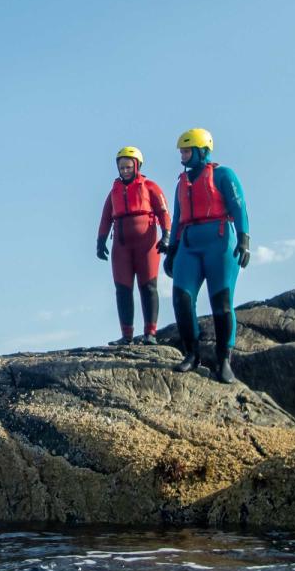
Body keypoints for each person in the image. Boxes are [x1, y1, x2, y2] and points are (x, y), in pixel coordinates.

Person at [163, 129, 250, 383]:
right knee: (181, 297)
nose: (182, 155)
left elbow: (239, 206)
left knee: (221, 303)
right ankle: (192, 354)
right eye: (181, 151)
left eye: (187, 151)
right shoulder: (182, 182)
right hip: (189, 245)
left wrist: (244, 239)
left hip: (220, 243)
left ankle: (224, 361)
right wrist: (172, 250)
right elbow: (178, 218)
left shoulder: (224, 175)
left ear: (202, 151)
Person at [97, 147, 172, 345]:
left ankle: (150, 333)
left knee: (148, 287)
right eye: (122, 167)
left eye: (129, 167)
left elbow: (164, 212)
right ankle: (127, 335)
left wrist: (166, 236)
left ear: (137, 166)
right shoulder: (114, 191)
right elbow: (105, 217)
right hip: (121, 247)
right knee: (122, 289)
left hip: (146, 245)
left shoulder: (150, 186)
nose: (125, 171)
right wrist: (100, 241)